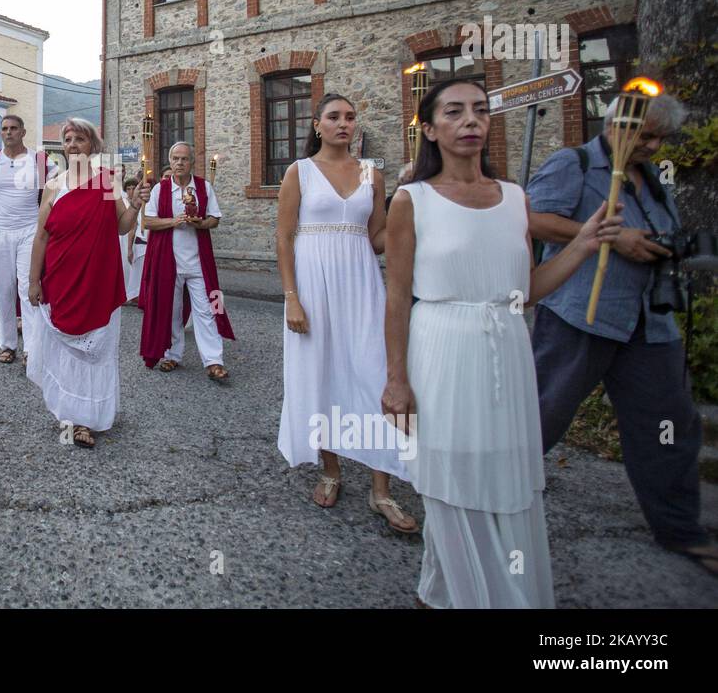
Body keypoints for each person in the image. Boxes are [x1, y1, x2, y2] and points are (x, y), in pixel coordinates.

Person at [381, 78, 622, 608]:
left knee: (505, 475)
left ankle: (443, 588)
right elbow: (397, 298)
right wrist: (396, 380)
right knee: (451, 480)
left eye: (480, 111)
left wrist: (581, 244)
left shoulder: (514, 198)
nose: (470, 120)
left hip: (507, 349)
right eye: (454, 112)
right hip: (441, 347)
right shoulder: (411, 200)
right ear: (430, 128)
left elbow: (523, 292)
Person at [528, 93, 717, 578]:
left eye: (660, 137)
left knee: (668, 424)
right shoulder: (575, 163)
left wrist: (661, 246)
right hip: (579, 314)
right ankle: (489, 499)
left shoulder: (652, 179)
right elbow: (532, 218)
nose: (654, 146)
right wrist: (609, 236)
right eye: (646, 135)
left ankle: (680, 528)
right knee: (541, 414)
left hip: (647, 322)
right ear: (619, 125)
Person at [276, 94, 416, 533]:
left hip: (361, 286)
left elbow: (377, 237)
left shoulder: (372, 173)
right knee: (324, 374)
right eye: (333, 117)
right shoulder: (299, 172)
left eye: (350, 117)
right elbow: (282, 238)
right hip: (312, 288)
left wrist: (403, 205)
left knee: (376, 373)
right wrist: (291, 296)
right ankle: (331, 470)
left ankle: (382, 490)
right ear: (316, 124)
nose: (343, 123)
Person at [27, 119, 149, 447]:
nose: (72, 144)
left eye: (79, 139)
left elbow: (122, 227)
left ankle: (88, 418)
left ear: (92, 145)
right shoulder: (53, 186)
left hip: (98, 279)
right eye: (67, 139)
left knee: (96, 354)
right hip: (61, 278)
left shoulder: (107, 183)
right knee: (66, 355)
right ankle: (70, 415)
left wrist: (135, 204)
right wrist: (33, 280)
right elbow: (41, 236)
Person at [139, 142, 234, 381]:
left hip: (198, 261)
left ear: (192, 162)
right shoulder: (160, 189)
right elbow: (148, 222)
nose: (179, 163)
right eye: (175, 158)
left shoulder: (203, 187)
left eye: (184, 159)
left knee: (208, 309)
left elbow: (215, 219)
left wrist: (200, 223)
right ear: (170, 161)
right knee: (171, 310)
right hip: (167, 260)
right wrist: (174, 221)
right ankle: (172, 354)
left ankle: (213, 361)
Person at [0, 115, 53, 366]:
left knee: (28, 288)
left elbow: (55, 185)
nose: (8, 132)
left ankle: (31, 348)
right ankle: (7, 345)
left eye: (14, 128)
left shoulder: (37, 160)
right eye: (4, 129)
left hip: (29, 230)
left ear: (23, 131)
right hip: (0, 230)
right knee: (3, 288)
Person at [122, 175, 146, 303]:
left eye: (133, 188)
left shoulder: (142, 204)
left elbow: (135, 225)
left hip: (135, 238)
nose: (131, 191)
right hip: (122, 237)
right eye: (128, 188)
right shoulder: (123, 202)